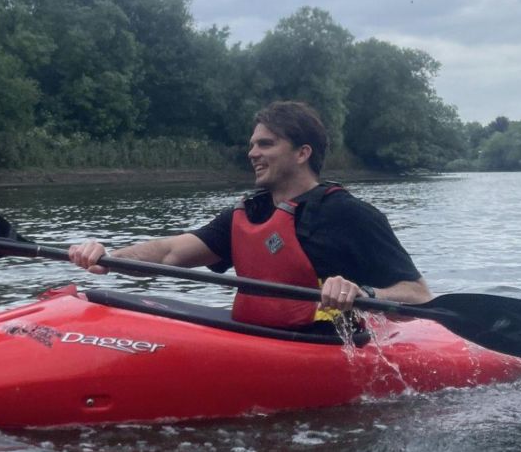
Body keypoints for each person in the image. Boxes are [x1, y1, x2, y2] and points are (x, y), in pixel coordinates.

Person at [69, 101, 432, 330]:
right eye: (252, 144)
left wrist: (364, 290)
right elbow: (169, 254)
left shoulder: (350, 215)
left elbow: (418, 295)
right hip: (257, 340)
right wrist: (109, 259)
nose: (252, 153)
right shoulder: (247, 215)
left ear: (303, 152)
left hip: (326, 348)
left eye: (266, 144)